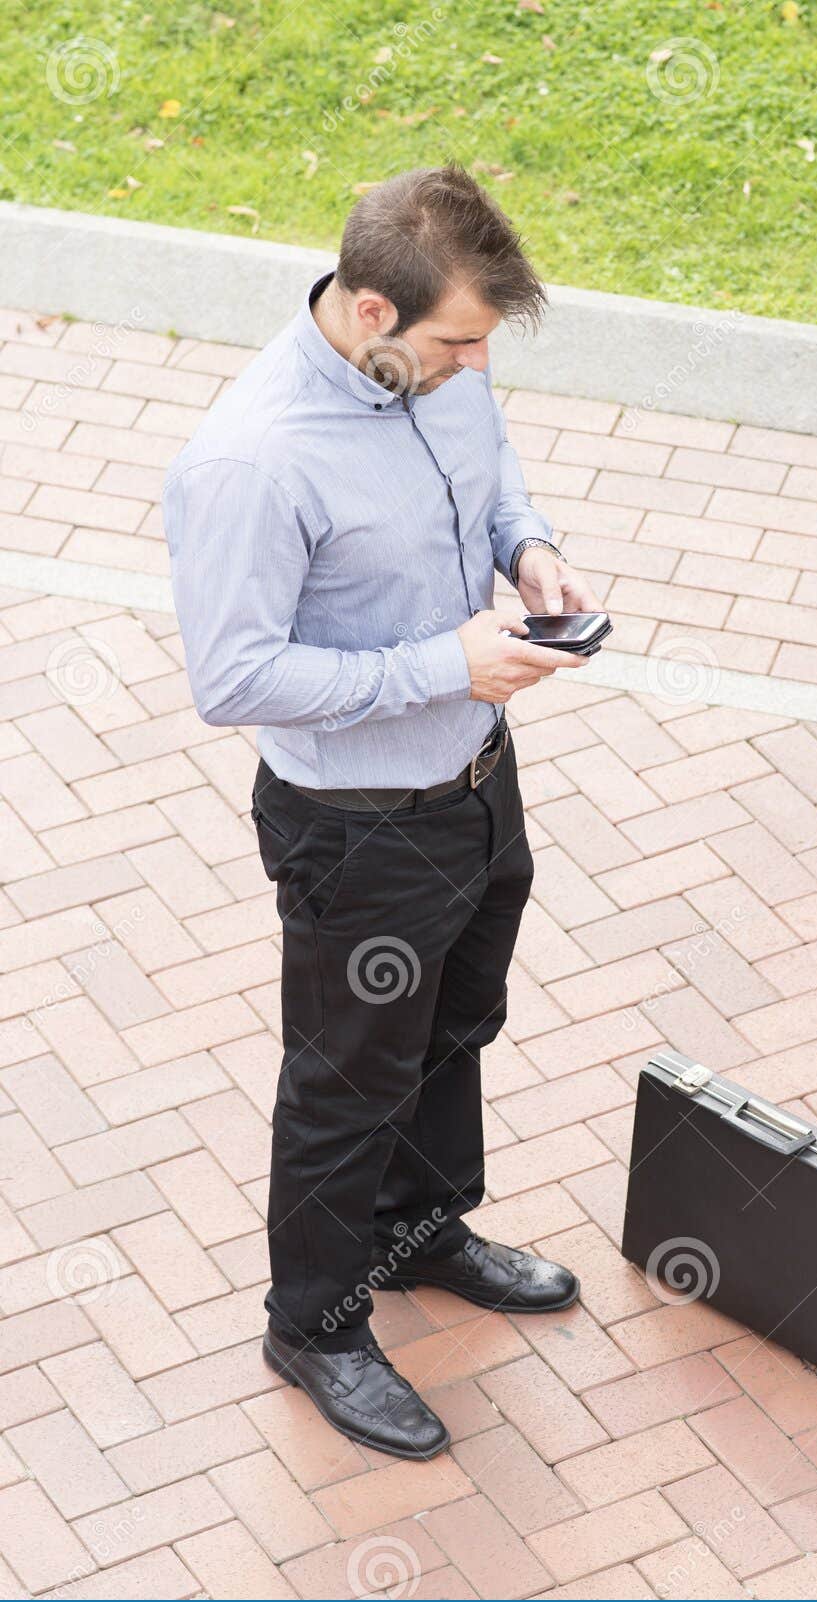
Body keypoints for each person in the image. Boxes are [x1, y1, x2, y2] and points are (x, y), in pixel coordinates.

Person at [162, 162, 606, 1461]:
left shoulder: (442, 369)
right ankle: (314, 1322)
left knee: (458, 1021)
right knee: (346, 1078)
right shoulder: (251, 462)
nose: (477, 367)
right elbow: (231, 677)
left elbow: (492, 463)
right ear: (369, 312)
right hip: (356, 827)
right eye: (459, 342)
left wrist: (527, 547)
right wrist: (445, 666)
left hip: (478, 774)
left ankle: (421, 1233)